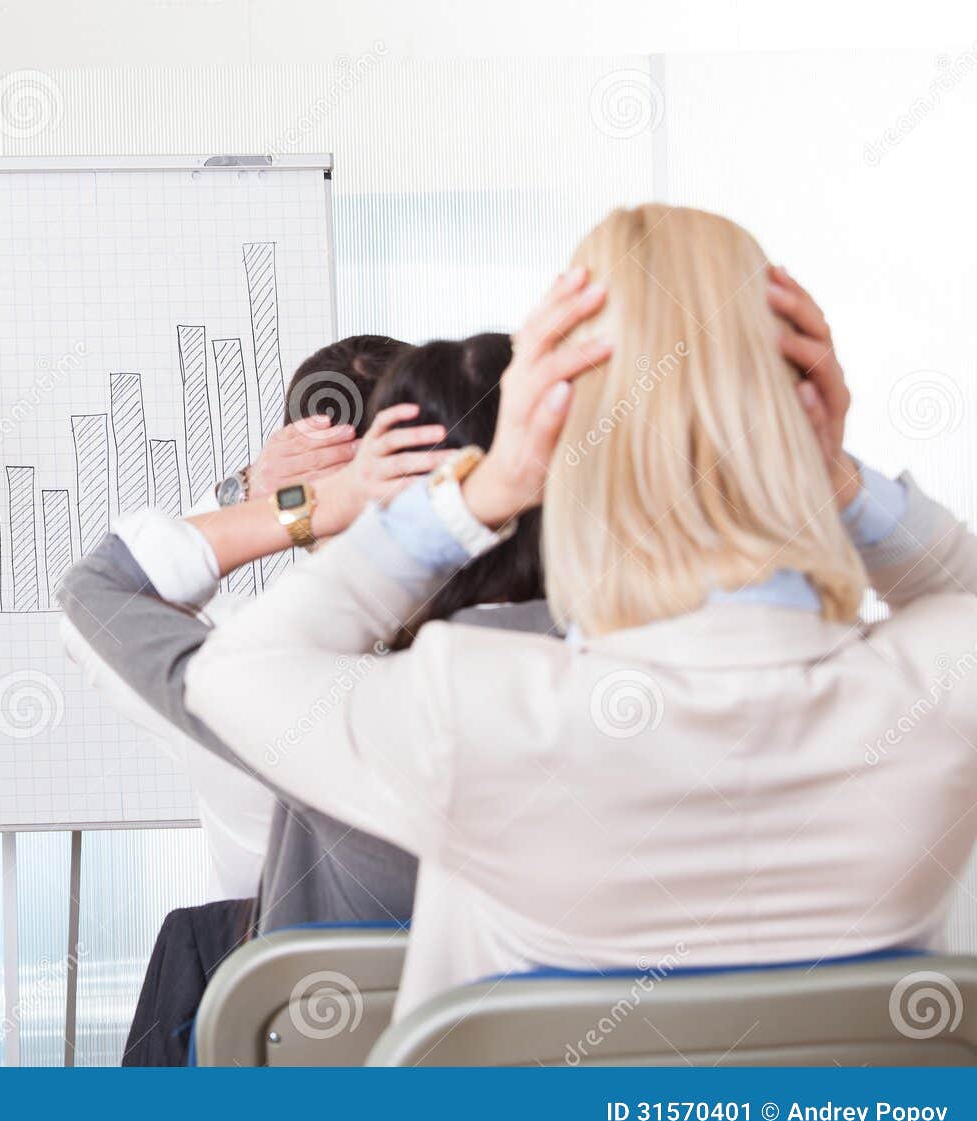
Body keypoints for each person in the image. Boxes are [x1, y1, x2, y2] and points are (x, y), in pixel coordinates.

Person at [185, 204, 977, 1022]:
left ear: (564, 440)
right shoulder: (938, 687)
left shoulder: (475, 703)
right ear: (797, 412)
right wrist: (836, 476)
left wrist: (477, 494)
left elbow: (237, 672)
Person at [59, 335, 547, 934]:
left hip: (316, 1004)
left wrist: (274, 499)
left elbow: (99, 601)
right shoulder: (608, 662)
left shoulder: (258, 670)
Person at [61, 336, 413, 903]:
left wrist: (255, 496)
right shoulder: (525, 650)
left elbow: (95, 608)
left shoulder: (230, 661)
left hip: (275, 987)